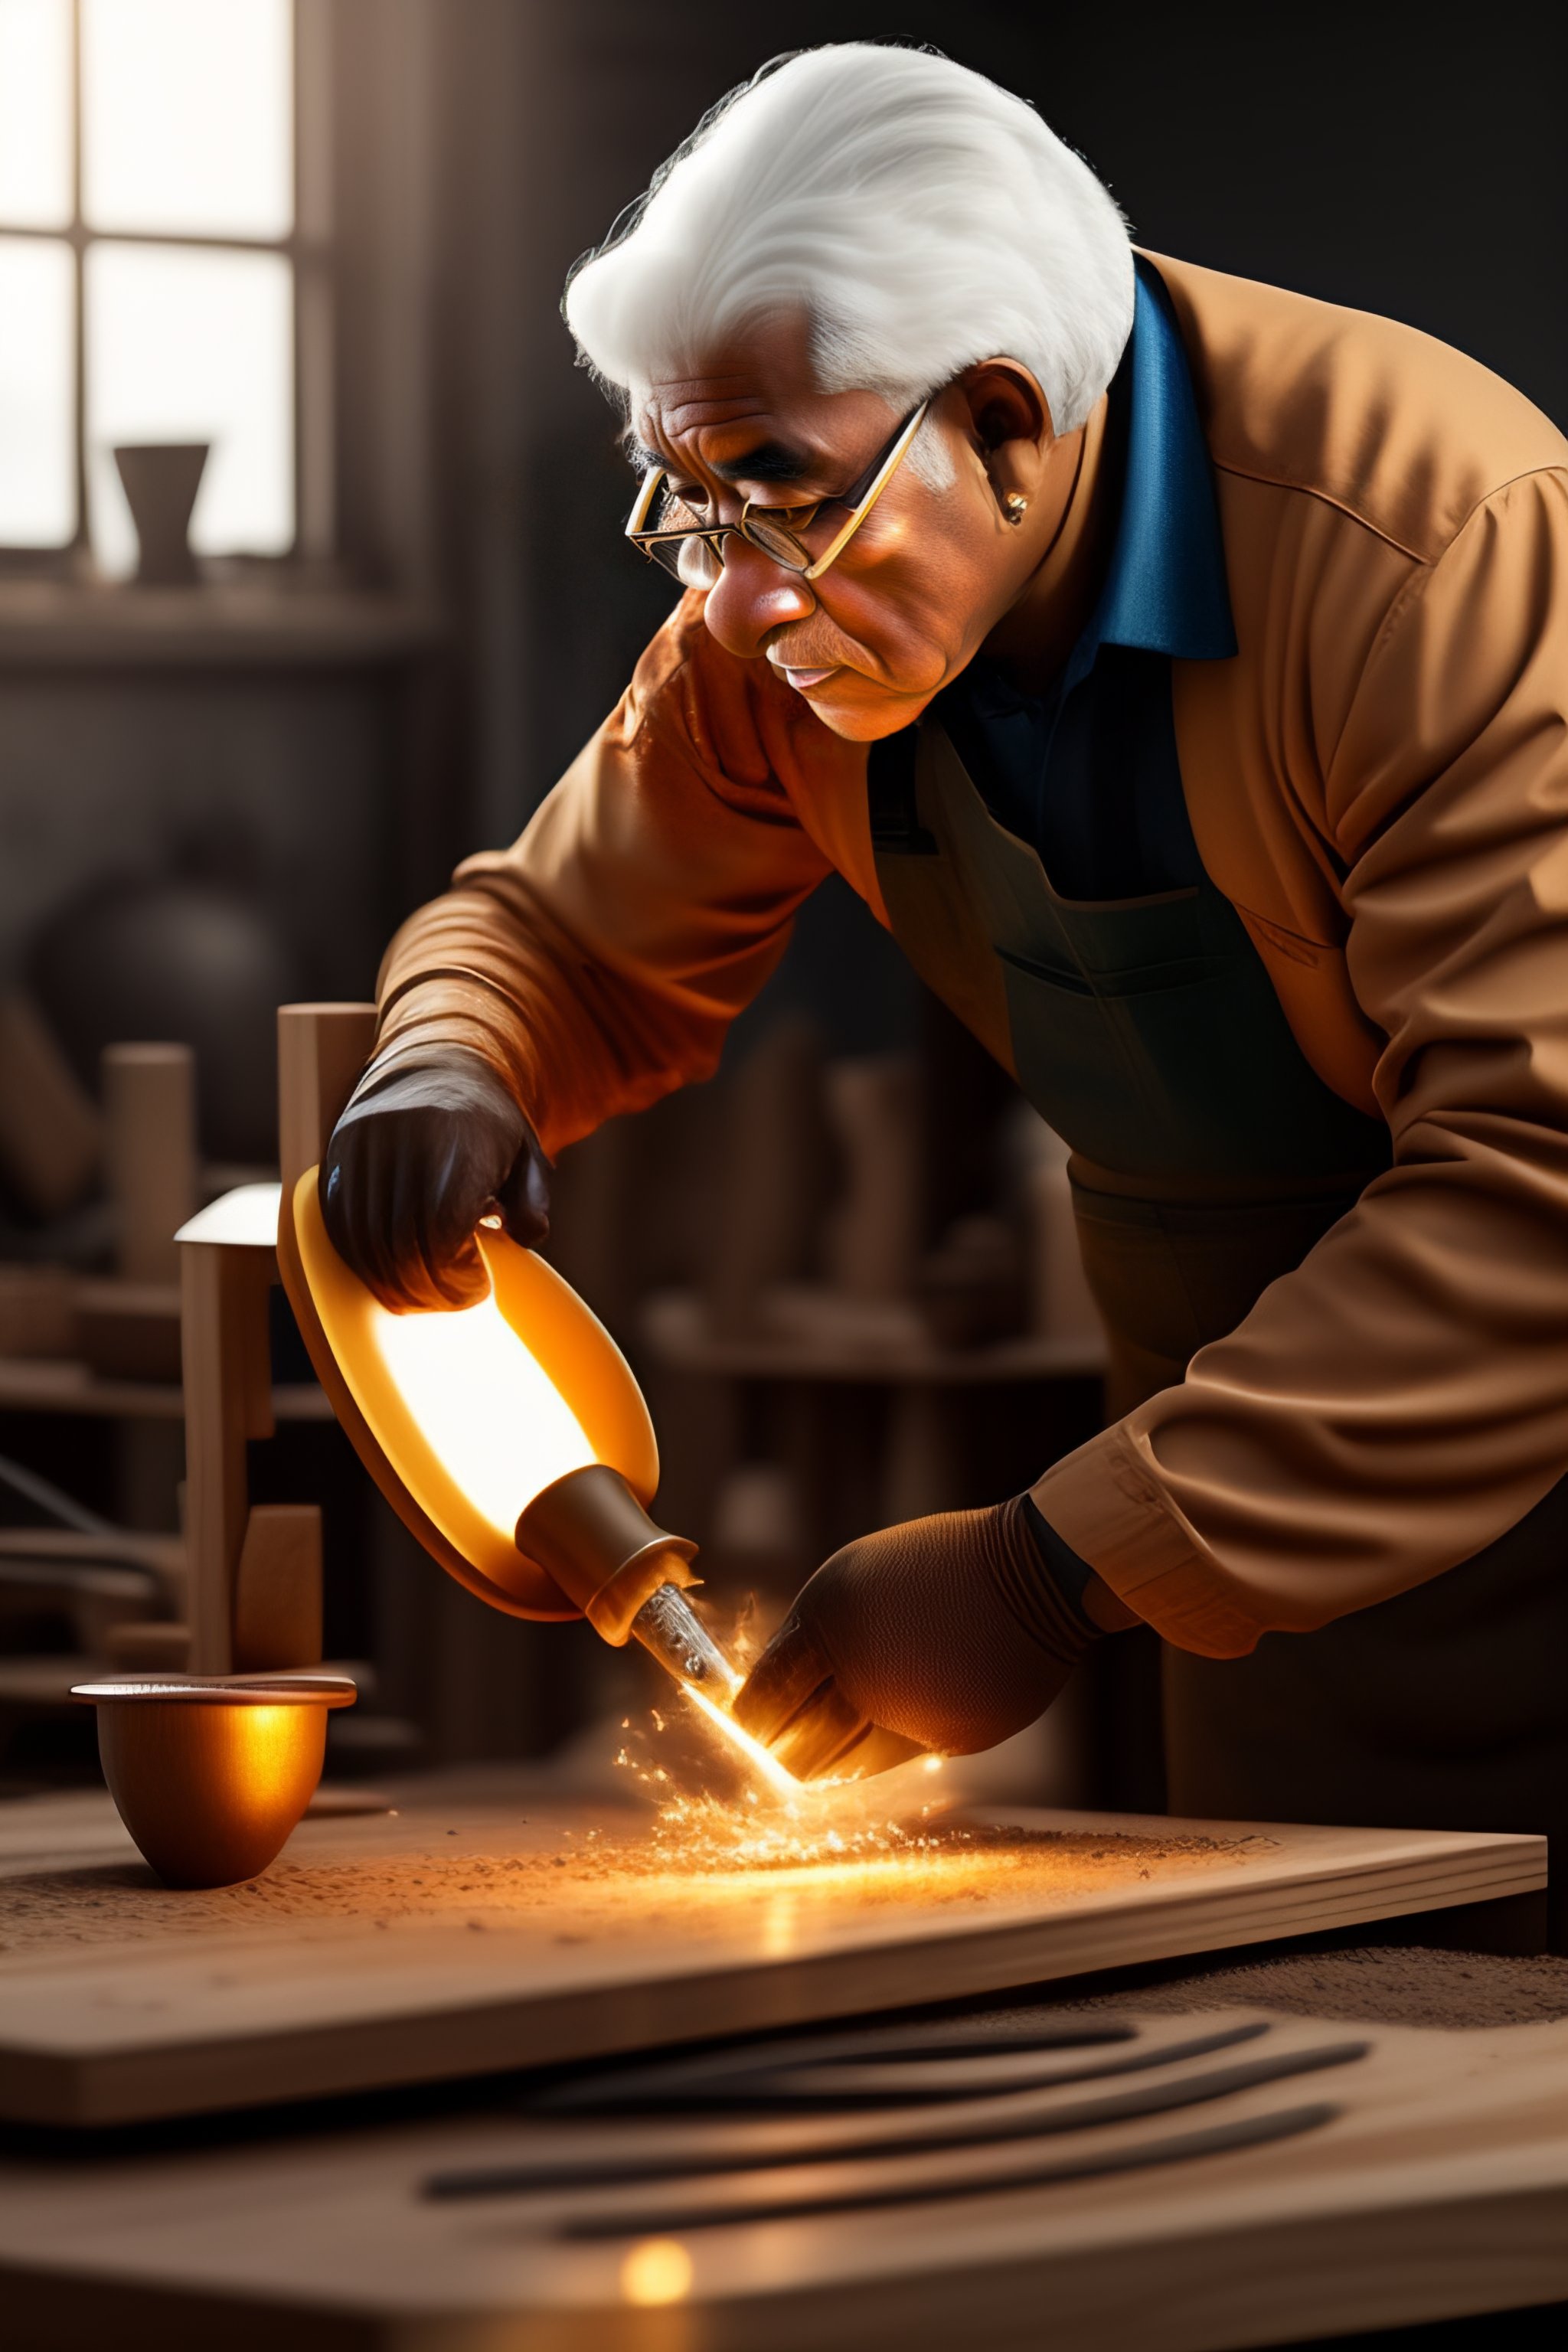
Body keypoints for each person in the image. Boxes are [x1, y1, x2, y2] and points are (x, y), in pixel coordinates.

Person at [322, 44, 1568, 1929]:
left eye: (778, 495)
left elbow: (1536, 1190)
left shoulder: (1430, 549)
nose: (731, 598)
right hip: (1222, 1528)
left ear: (1001, 419)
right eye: (685, 505)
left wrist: (1042, 1572)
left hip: (1491, 1443)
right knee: (1295, 2024)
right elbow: (565, 936)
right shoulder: (783, 601)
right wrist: (452, 1060)